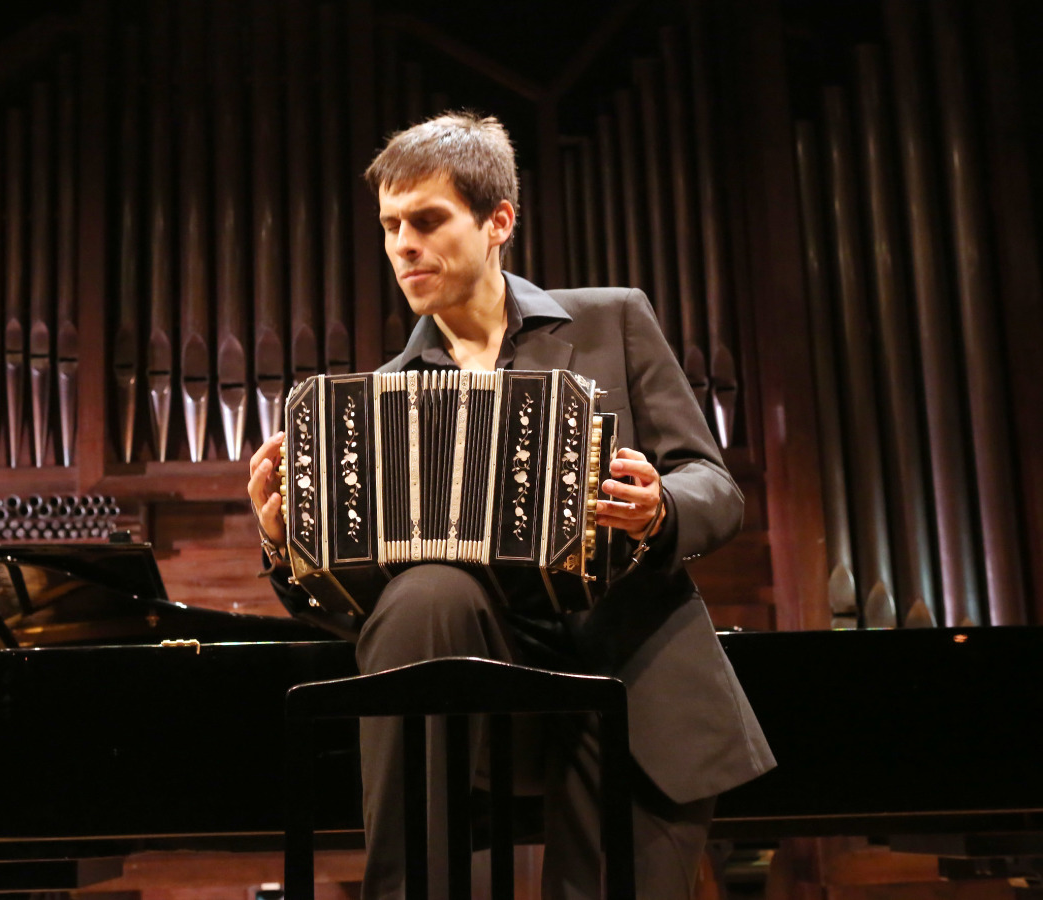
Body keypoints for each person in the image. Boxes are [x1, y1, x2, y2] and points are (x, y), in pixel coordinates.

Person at [248, 111, 775, 900]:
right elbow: (364, 613)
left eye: (426, 220)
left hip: (627, 669)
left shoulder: (612, 320)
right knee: (426, 590)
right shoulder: (382, 399)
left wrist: (659, 506)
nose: (402, 244)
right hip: (471, 694)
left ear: (498, 222)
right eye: (390, 225)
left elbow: (715, 485)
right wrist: (286, 541)